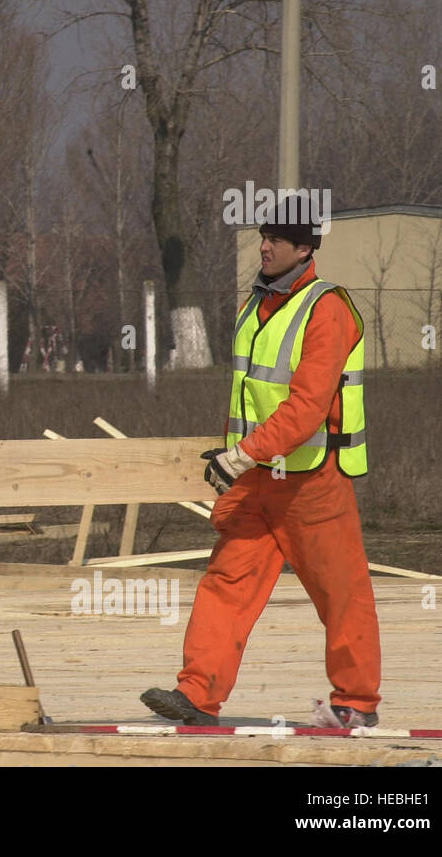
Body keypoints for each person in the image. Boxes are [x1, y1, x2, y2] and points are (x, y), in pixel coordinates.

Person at [141, 207, 380, 728]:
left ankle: (356, 702)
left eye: (277, 239)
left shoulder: (327, 309)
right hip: (255, 480)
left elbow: (307, 406)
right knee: (227, 582)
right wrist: (238, 456)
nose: (265, 246)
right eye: (264, 236)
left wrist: (241, 454)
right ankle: (197, 696)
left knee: (340, 593)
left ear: (305, 249)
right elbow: (252, 398)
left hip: (313, 481)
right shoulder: (257, 305)